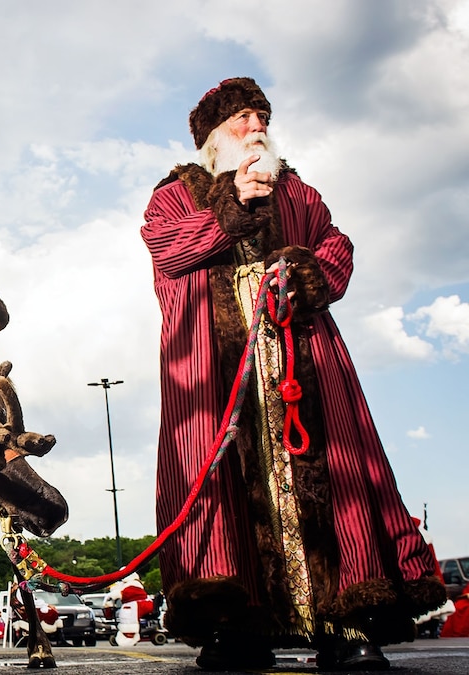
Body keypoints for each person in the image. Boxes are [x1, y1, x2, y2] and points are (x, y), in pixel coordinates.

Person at [141, 77, 446, 671]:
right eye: (243, 119)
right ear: (211, 139)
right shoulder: (178, 192)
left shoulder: (297, 191)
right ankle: (237, 628)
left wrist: (306, 272)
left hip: (302, 358)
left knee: (333, 475)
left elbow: (337, 244)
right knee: (219, 491)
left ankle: (345, 620)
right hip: (213, 373)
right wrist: (233, 205)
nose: (258, 127)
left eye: (263, 117)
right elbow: (167, 249)